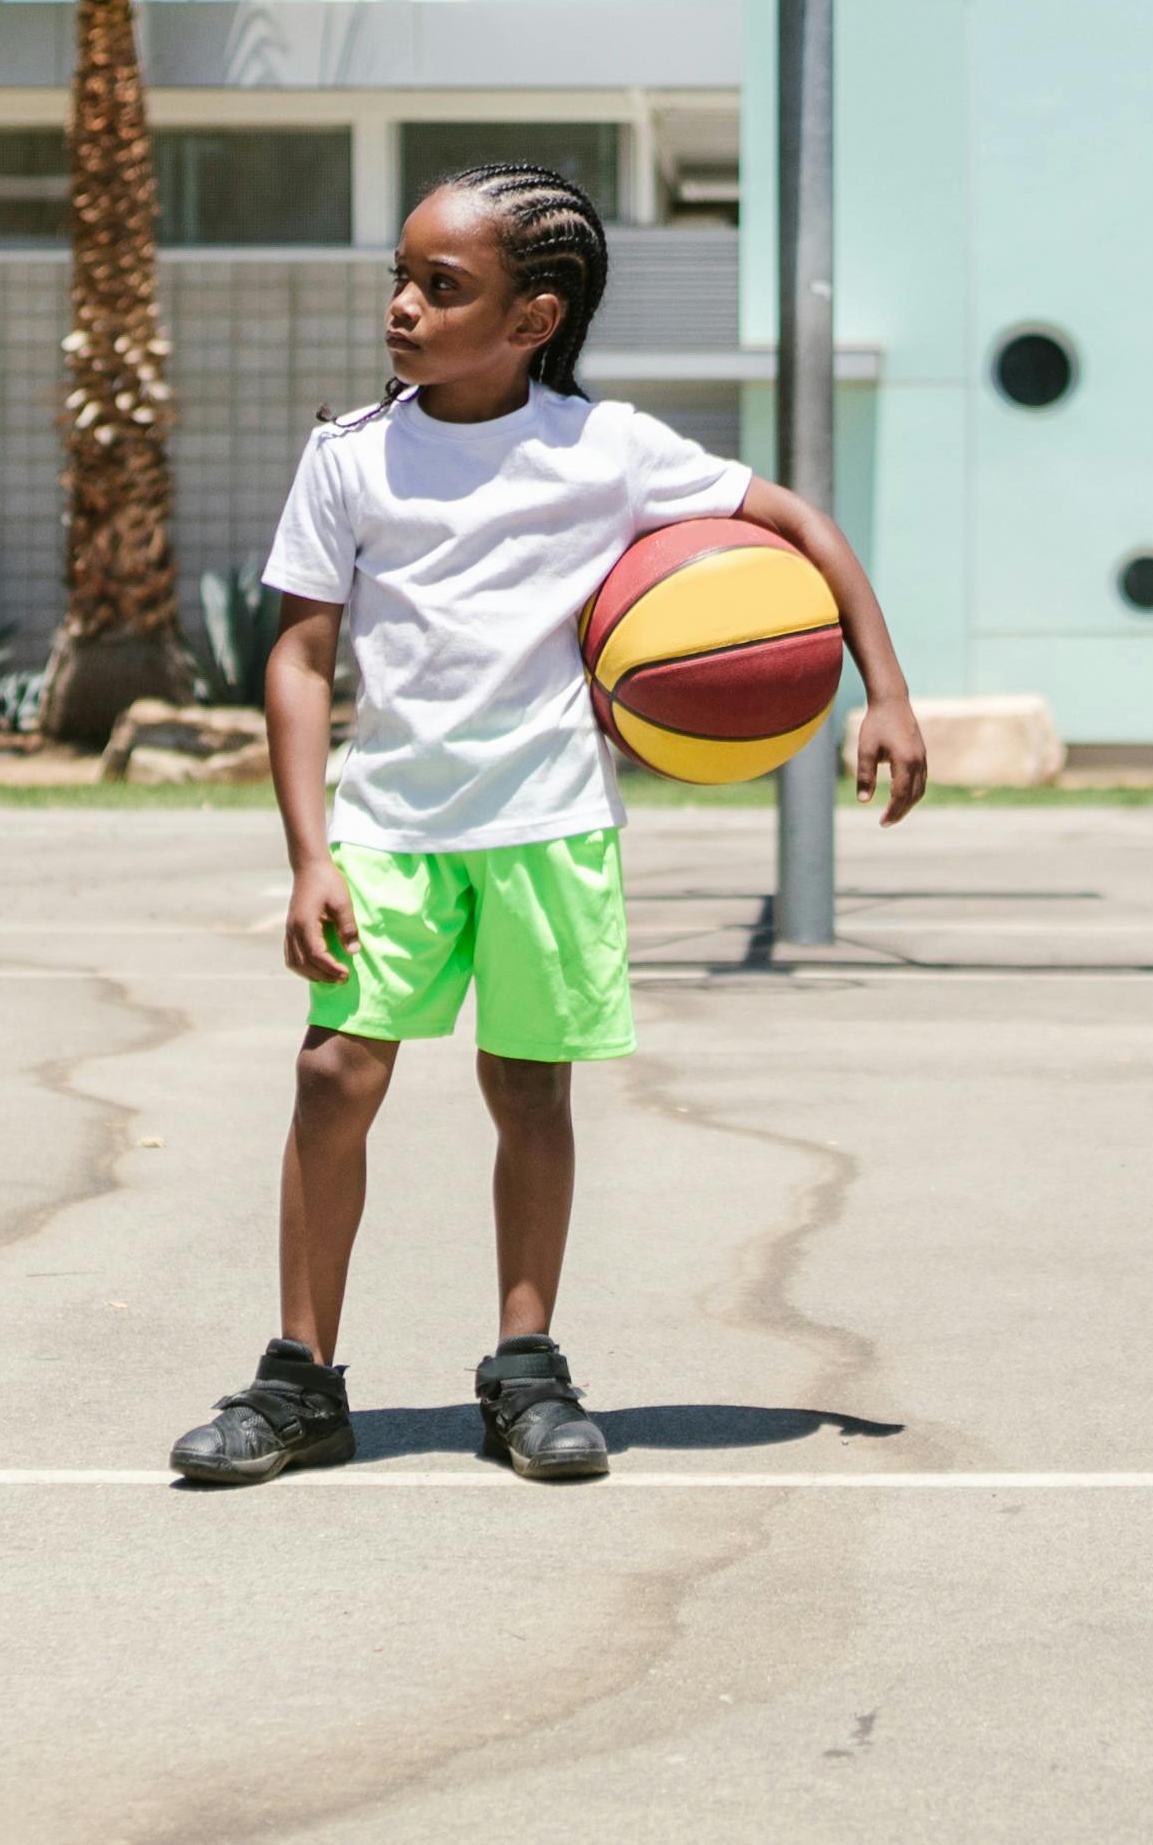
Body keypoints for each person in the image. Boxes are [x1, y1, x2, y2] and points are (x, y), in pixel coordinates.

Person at [168, 159, 925, 1488]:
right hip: (391, 828)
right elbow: (299, 656)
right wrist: (306, 854)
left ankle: (525, 1369)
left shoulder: (608, 451)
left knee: (530, 1088)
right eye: (398, 279)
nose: (402, 306)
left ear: (534, 318)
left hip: (548, 829)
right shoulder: (351, 456)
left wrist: (889, 694)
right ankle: (300, 1378)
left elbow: (797, 523)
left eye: (440, 286)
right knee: (331, 1076)